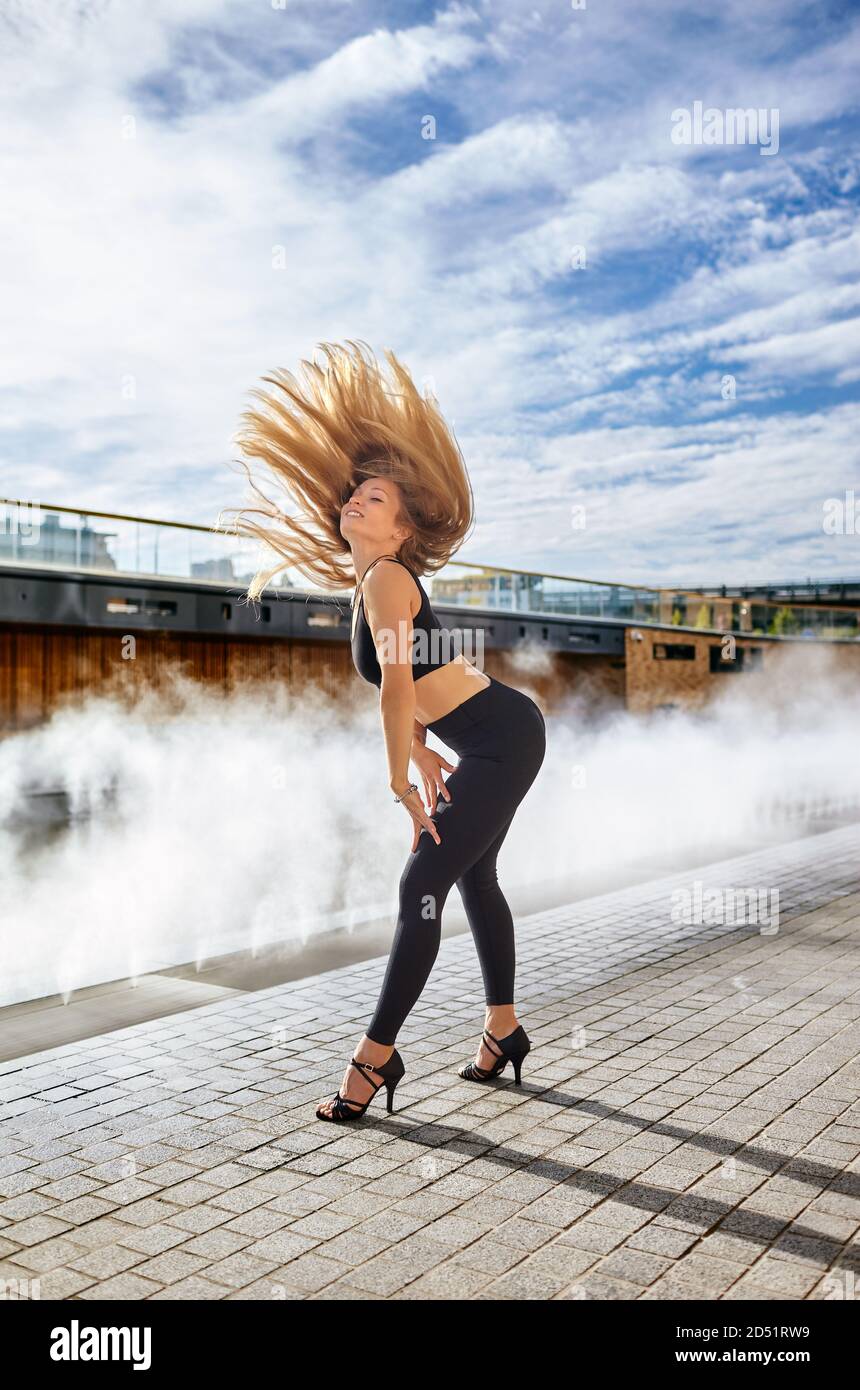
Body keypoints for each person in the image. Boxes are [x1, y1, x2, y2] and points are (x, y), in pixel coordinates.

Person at [223, 340, 546, 1122]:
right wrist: (427, 750)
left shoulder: (391, 579)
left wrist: (401, 777)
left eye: (377, 500)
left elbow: (399, 685)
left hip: (503, 737)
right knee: (474, 880)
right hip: (493, 735)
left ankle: (373, 1060)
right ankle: (503, 1032)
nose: (358, 503)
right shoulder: (374, 583)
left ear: (401, 532)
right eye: (357, 495)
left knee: (420, 886)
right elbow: (419, 691)